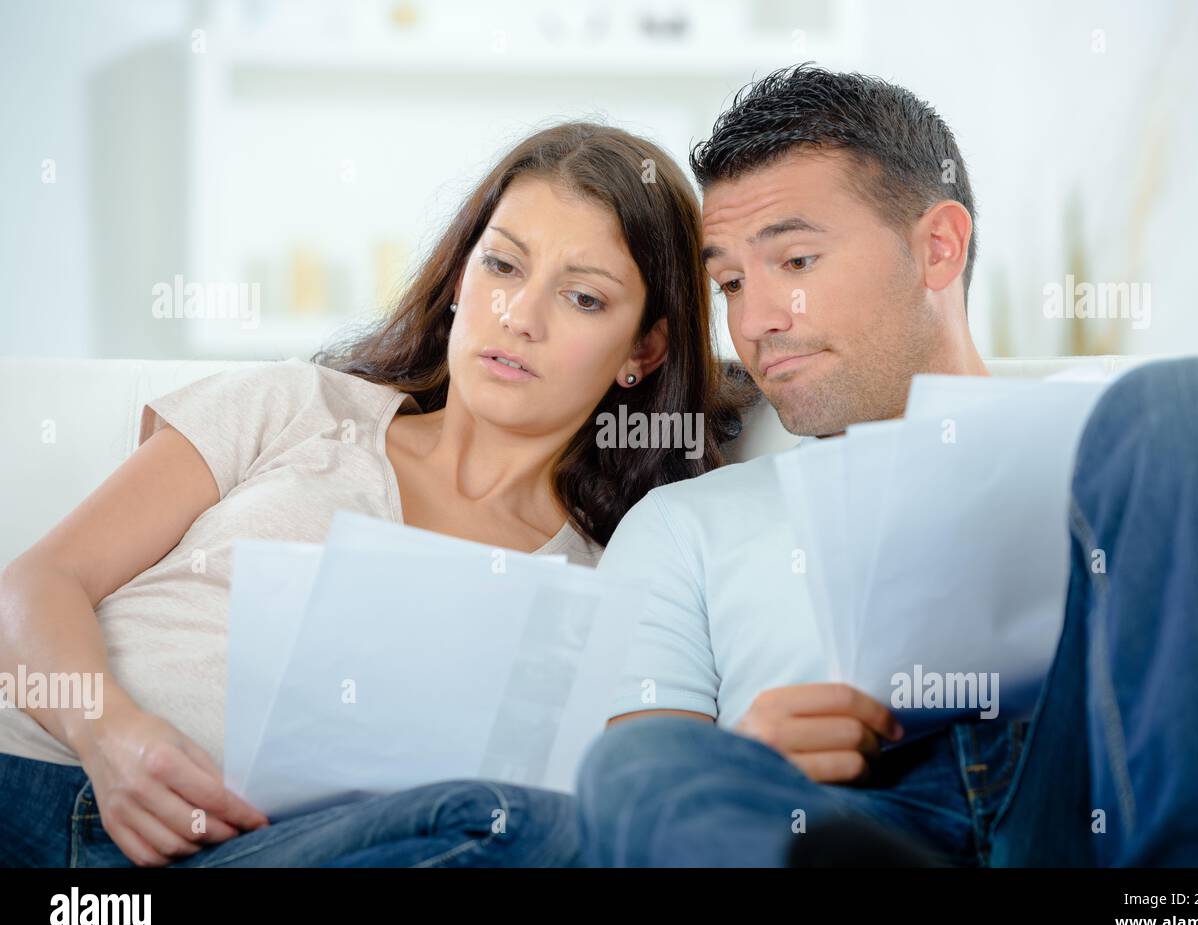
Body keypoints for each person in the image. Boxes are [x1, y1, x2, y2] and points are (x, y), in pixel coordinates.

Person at [576, 65, 1198, 867]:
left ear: (937, 248)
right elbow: (639, 800)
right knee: (631, 765)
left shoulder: (1137, 446)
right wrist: (748, 758)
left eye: (797, 263)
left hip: (1086, 798)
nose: (755, 321)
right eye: (731, 282)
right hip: (849, 820)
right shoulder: (683, 524)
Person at [0, 122, 751, 867]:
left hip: (264, 851)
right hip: (31, 778)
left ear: (643, 349)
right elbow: (35, 583)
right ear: (461, 278)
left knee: (521, 822)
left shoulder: (599, 583)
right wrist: (110, 736)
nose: (519, 317)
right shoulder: (298, 405)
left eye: (583, 298)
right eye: (502, 266)